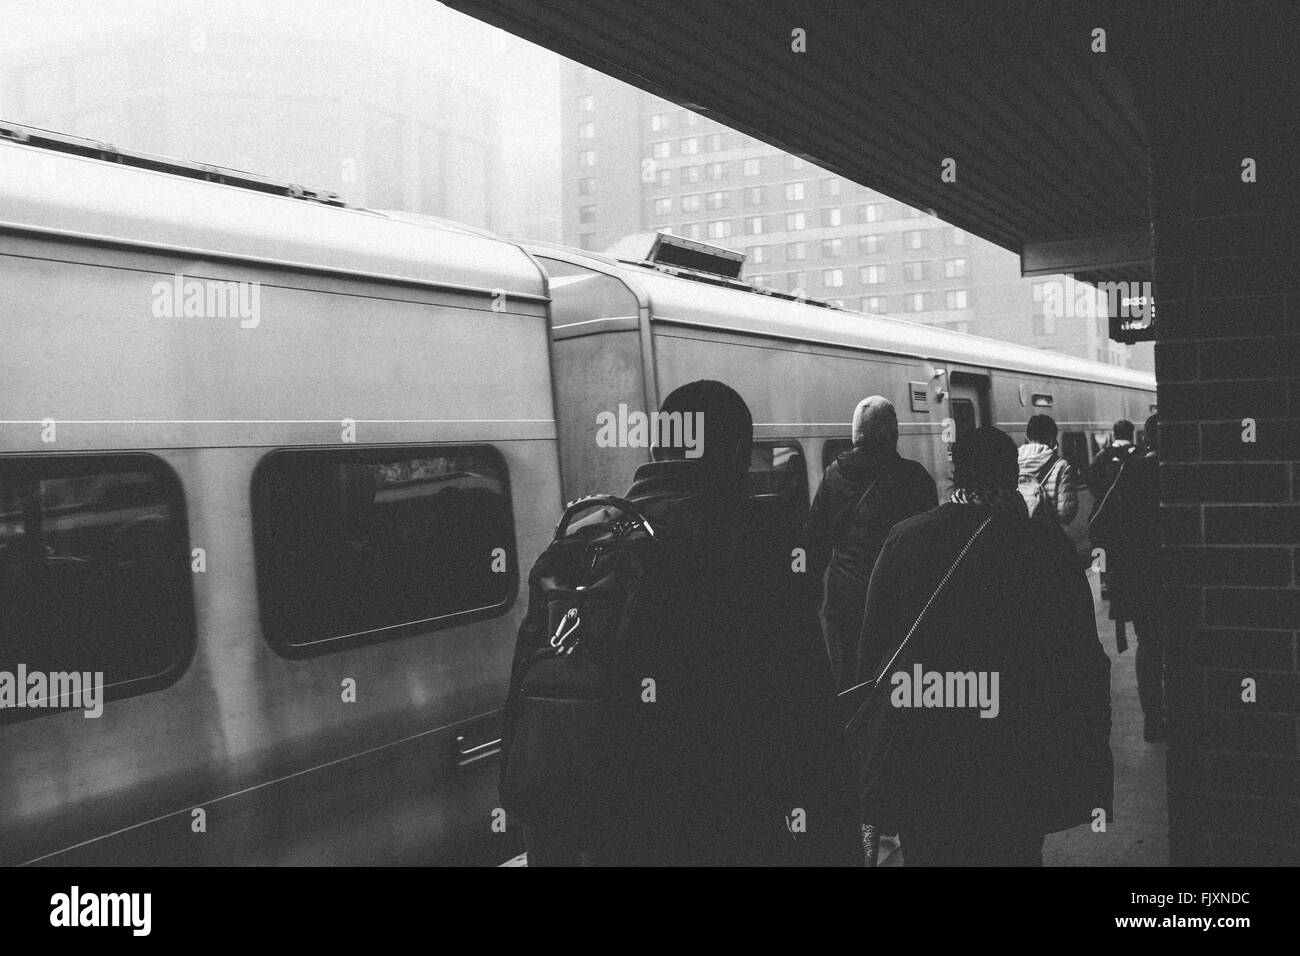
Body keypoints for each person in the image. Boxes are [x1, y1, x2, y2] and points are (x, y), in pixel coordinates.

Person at [503, 380, 848, 865]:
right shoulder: (751, 545)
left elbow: (524, 711)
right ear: (733, 453)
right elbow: (805, 714)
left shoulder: (583, 541)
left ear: (658, 448)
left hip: (600, 830)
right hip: (719, 830)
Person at [849, 426, 1113, 866]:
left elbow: (872, 654)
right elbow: (1080, 660)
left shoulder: (906, 539)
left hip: (926, 757)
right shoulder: (1046, 548)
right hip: (1016, 761)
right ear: (1011, 477)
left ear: (957, 474)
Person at [804, 396, 937, 689]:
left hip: (842, 601)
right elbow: (930, 549)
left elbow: (814, 540)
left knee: (848, 682)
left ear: (856, 435)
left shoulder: (832, 475)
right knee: (889, 685)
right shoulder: (914, 479)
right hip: (894, 602)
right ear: (893, 434)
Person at [1101, 413, 1165, 742]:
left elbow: (1101, 524)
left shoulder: (1132, 470)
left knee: (1150, 646)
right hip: (1178, 576)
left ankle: (1153, 719)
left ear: (1148, 438)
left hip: (1142, 576)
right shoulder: (1190, 473)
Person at [1017, 413, 1078, 527]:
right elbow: (1066, 514)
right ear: (1052, 438)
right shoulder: (1061, 466)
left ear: (1028, 436)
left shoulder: (1012, 461)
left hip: (1019, 534)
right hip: (1047, 535)